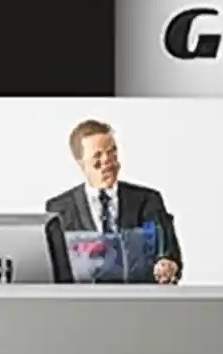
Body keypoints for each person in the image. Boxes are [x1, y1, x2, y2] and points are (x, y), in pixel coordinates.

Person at [45, 119, 183, 283]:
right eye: (98, 156)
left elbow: (166, 248)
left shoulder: (147, 201)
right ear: (80, 162)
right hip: (83, 302)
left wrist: (166, 263)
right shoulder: (59, 209)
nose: (107, 162)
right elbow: (53, 267)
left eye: (112, 152)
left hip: (137, 300)